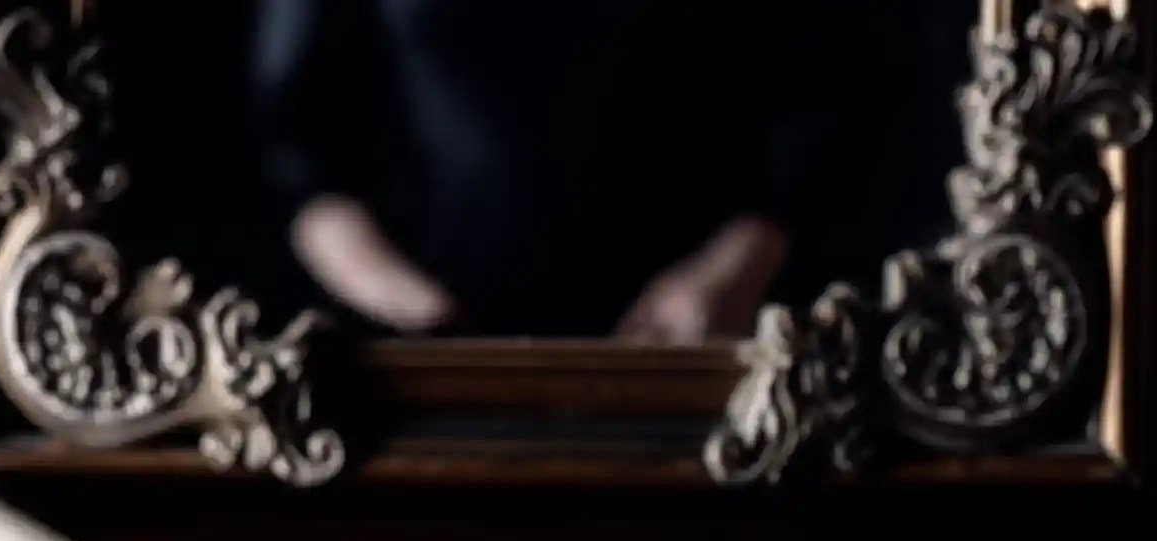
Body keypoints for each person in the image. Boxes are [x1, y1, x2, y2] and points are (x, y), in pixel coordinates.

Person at [247, 0, 813, 342]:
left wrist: (729, 268)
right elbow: (298, 148)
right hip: (417, 347)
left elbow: (813, 85)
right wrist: (402, 308)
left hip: (685, 341)